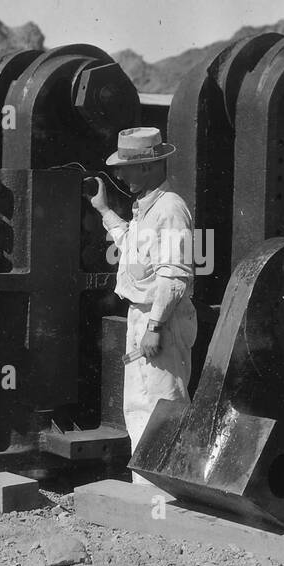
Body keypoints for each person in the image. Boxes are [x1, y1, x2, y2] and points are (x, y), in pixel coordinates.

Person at [87, 127, 197, 481]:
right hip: (145, 316)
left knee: (164, 403)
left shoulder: (170, 210)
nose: (120, 174)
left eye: (126, 168)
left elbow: (174, 275)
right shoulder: (147, 209)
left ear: (149, 167)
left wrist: (155, 326)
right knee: (139, 406)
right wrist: (104, 210)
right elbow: (132, 249)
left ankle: (169, 492)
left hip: (159, 320)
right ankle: (148, 490)